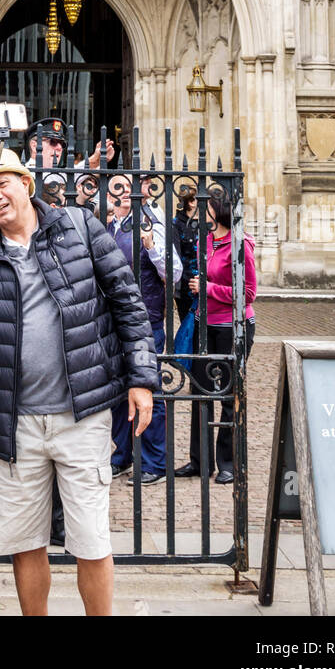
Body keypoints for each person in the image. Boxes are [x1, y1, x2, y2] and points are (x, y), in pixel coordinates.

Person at [0, 148, 157, 617]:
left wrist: (142, 378)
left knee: (91, 539)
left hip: (82, 414)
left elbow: (128, 302)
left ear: (26, 183)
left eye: (2, 183)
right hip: (15, 422)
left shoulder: (79, 226)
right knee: (26, 542)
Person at [175, 191, 257, 486]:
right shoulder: (205, 241)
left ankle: (228, 463)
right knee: (200, 393)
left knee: (226, 394)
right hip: (203, 325)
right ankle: (200, 461)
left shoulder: (240, 244)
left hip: (231, 328)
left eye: (204, 207)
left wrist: (208, 288)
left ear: (217, 211)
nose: (197, 212)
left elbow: (248, 295)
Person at [107, 175, 181, 485]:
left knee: (149, 388)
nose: (126, 194)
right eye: (119, 188)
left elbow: (174, 272)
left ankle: (155, 462)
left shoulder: (153, 224)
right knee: (117, 392)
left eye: (131, 189)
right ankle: (121, 455)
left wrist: (151, 248)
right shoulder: (107, 226)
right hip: (111, 319)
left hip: (146, 320)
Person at [172, 187, 199, 323]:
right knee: (188, 324)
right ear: (191, 203)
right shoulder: (176, 223)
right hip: (185, 283)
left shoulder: (206, 222)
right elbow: (176, 254)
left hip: (204, 281)